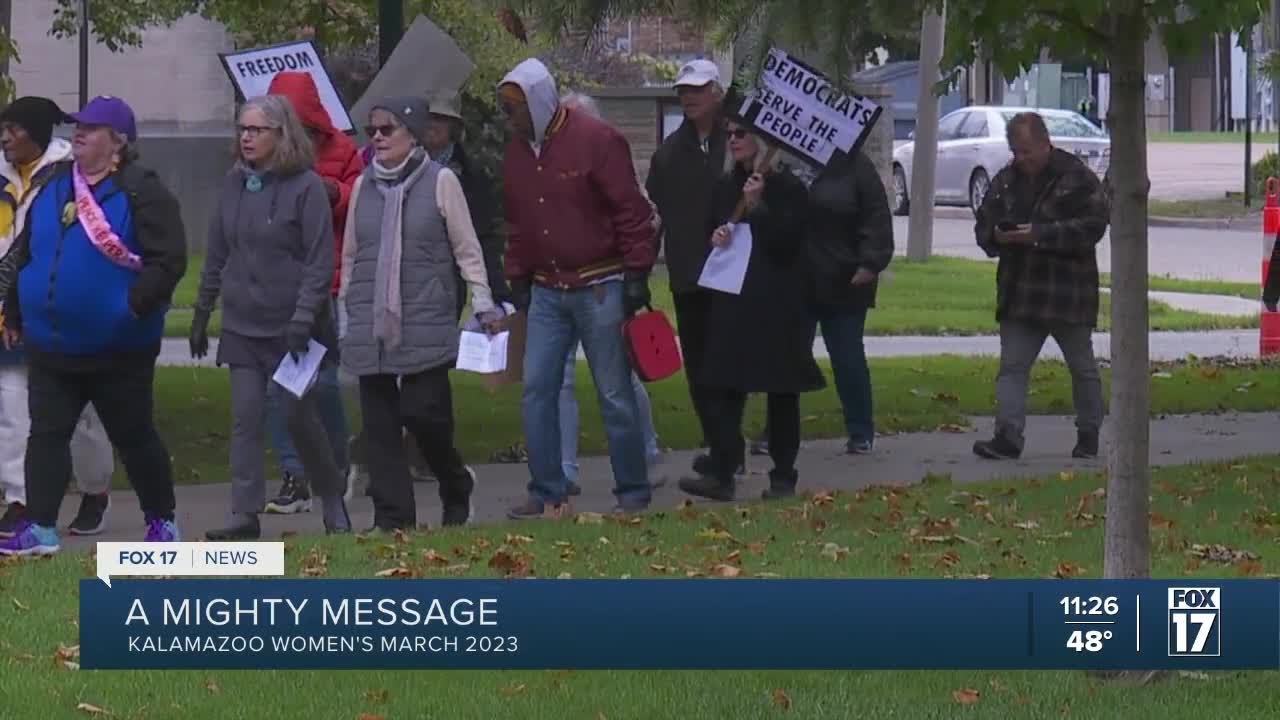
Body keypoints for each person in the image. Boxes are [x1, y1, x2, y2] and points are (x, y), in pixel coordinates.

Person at [0, 95, 187, 556]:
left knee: (134, 436)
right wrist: (16, 311)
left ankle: (161, 521)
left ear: (117, 141)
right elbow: (27, 252)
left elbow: (168, 261)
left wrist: (131, 308)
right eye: (78, 126)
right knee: (46, 436)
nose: (78, 134)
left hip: (118, 347)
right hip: (51, 343)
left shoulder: (142, 190)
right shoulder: (56, 185)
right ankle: (41, 528)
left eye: (91, 128)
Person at [498, 58, 657, 519]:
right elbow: (518, 221)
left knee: (614, 392)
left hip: (600, 283)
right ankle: (547, 489)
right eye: (505, 108)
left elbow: (631, 210)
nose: (509, 117)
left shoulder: (597, 140)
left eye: (514, 107)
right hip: (546, 288)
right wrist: (518, 276)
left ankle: (632, 490)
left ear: (537, 102)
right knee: (537, 389)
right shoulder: (517, 153)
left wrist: (636, 273)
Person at [192, 95, 350, 540]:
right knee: (245, 420)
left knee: (297, 416)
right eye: (242, 129)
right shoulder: (234, 184)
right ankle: (244, 513)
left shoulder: (307, 187)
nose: (246, 137)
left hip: (292, 327)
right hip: (243, 325)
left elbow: (319, 262)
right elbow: (217, 251)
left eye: (256, 130)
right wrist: (203, 309)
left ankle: (331, 494)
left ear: (281, 135)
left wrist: (303, 317)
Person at [338, 96, 497, 531]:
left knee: (424, 413)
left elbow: (467, 248)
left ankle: (455, 483)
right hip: (371, 318)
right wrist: (347, 308)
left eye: (387, 129)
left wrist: (482, 301)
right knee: (379, 424)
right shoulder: (363, 186)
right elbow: (352, 253)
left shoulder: (440, 181)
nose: (377, 138)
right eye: (372, 130)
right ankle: (393, 519)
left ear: (412, 134)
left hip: (425, 315)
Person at [677, 110, 824, 502]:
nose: (733, 139)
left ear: (761, 139)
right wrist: (718, 235)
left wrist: (759, 207)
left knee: (781, 391)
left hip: (777, 303)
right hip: (734, 300)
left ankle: (783, 475)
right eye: (729, 133)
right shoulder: (728, 185)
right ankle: (723, 469)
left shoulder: (788, 187)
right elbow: (716, 227)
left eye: (740, 133)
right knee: (724, 386)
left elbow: (788, 242)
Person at [0, 97, 117, 538]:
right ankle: (20, 499)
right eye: (2, 129)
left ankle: (95, 491)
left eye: (14, 129)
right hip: (11, 309)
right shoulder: (2, 174)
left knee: (82, 414)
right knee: (13, 409)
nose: (5, 138)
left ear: (37, 133)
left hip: (65, 309)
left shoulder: (71, 175)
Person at [972, 111, 1108, 461]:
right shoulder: (1006, 180)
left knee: (1082, 367)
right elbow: (984, 224)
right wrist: (997, 235)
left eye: (1027, 151)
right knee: (1012, 367)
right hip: (1021, 292)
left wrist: (1040, 235)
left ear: (1046, 143)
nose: (1022, 159)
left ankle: (1089, 433)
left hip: (1068, 292)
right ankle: (1007, 437)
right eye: (1016, 151)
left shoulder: (1076, 177)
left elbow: (1093, 225)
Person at [260, 71, 363, 514]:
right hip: (276, 286)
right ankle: (294, 474)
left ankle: (335, 466)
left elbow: (360, 198)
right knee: (277, 385)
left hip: (326, 284)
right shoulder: (261, 154)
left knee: (321, 384)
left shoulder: (342, 150)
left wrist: (330, 192)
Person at [557, 90, 664, 494]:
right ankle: (565, 471)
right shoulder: (549, 166)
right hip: (559, 284)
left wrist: (632, 273)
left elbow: (644, 217)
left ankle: (645, 453)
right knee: (560, 379)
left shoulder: (611, 162)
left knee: (617, 379)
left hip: (604, 284)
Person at [645, 59, 740, 476]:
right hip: (689, 275)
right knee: (700, 369)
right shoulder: (668, 155)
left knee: (731, 365)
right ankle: (719, 447)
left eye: (698, 90)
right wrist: (640, 271)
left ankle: (729, 447)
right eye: (684, 91)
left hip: (732, 276)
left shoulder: (735, 144)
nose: (689, 97)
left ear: (716, 94)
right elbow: (653, 217)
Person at [805, 149, 895, 455]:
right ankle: (777, 429)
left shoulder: (856, 165)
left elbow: (877, 216)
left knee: (847, 356)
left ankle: (860, 430)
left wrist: (871, 262)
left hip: (844, 277)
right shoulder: (786, 160)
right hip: (798, 277)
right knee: (788, 356)